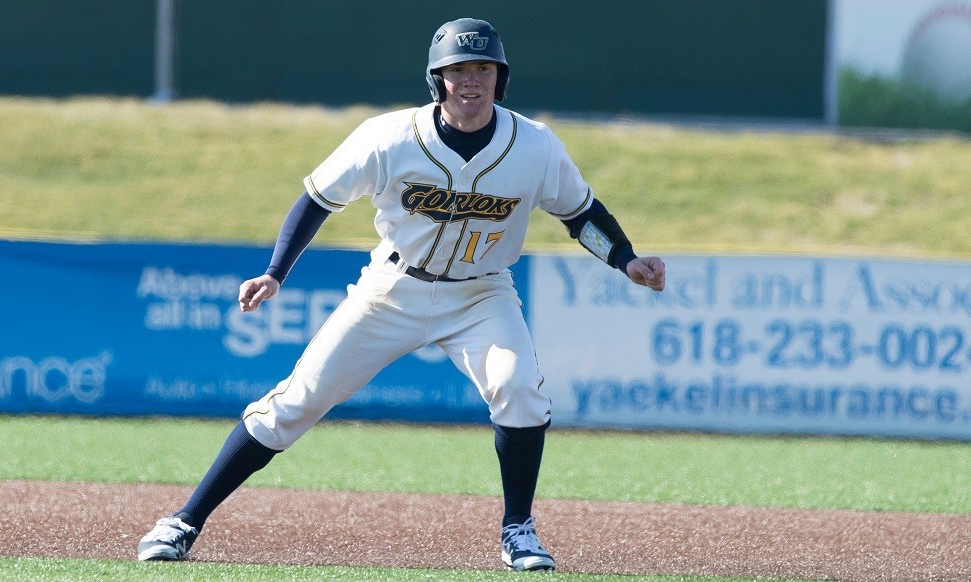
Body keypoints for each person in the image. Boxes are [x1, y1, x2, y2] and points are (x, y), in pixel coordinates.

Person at [137, 17, 666, 572]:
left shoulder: (533, 144)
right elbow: (317, 198)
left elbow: (580, 212)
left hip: (481, 294)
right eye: (458, 69)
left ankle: (519, 529)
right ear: (437, 79)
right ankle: (183, 521)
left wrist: (625, 259)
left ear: (500, 78)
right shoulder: (389, 136)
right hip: (392, 288)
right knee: (295, 404)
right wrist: (276, 272)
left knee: (520, 391)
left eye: (483, 68)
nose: (471, 80)